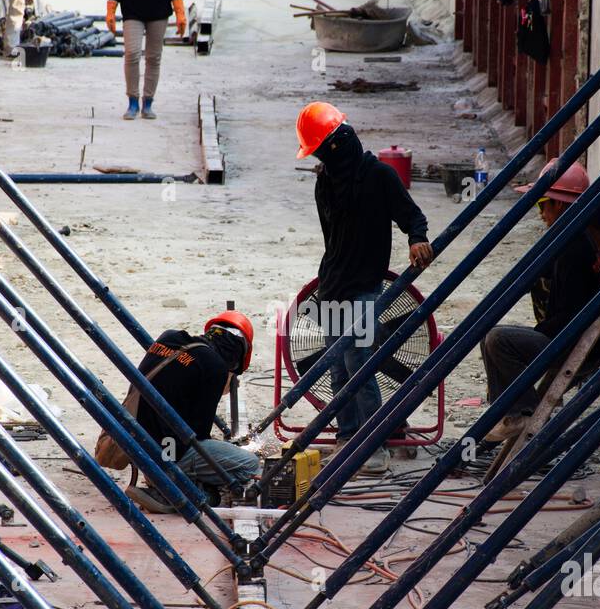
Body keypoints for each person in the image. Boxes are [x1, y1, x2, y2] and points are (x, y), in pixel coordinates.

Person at [295, 102, 435, 474]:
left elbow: (412, 215)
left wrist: (417, 239)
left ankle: (374, 442)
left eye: (322, 151)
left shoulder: (379, 177)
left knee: (358, 361)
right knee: (338, 365)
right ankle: (348, 435)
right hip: (331, 285)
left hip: (363, 286)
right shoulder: (325, 182)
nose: (321, 160)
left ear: (337, 145)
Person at [480, 157, 600, 443]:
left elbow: (571, 315)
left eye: (544, 205)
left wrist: (539, 333)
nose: (541, 213)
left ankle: (522, 412)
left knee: (498, 339)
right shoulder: (569, 242)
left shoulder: (574, 248)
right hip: (569, 336)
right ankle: (508, 411)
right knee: (490, 336)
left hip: (575, 343)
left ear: (560, 205)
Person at [127, 312, 261, 512]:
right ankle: (179, 491)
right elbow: (198, 435)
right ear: (236, 358)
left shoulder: (169, 337)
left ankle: (166, 476)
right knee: (249, 464)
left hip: (131, 437)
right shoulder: (215, 367)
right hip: (166, 453)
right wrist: (217, 387)